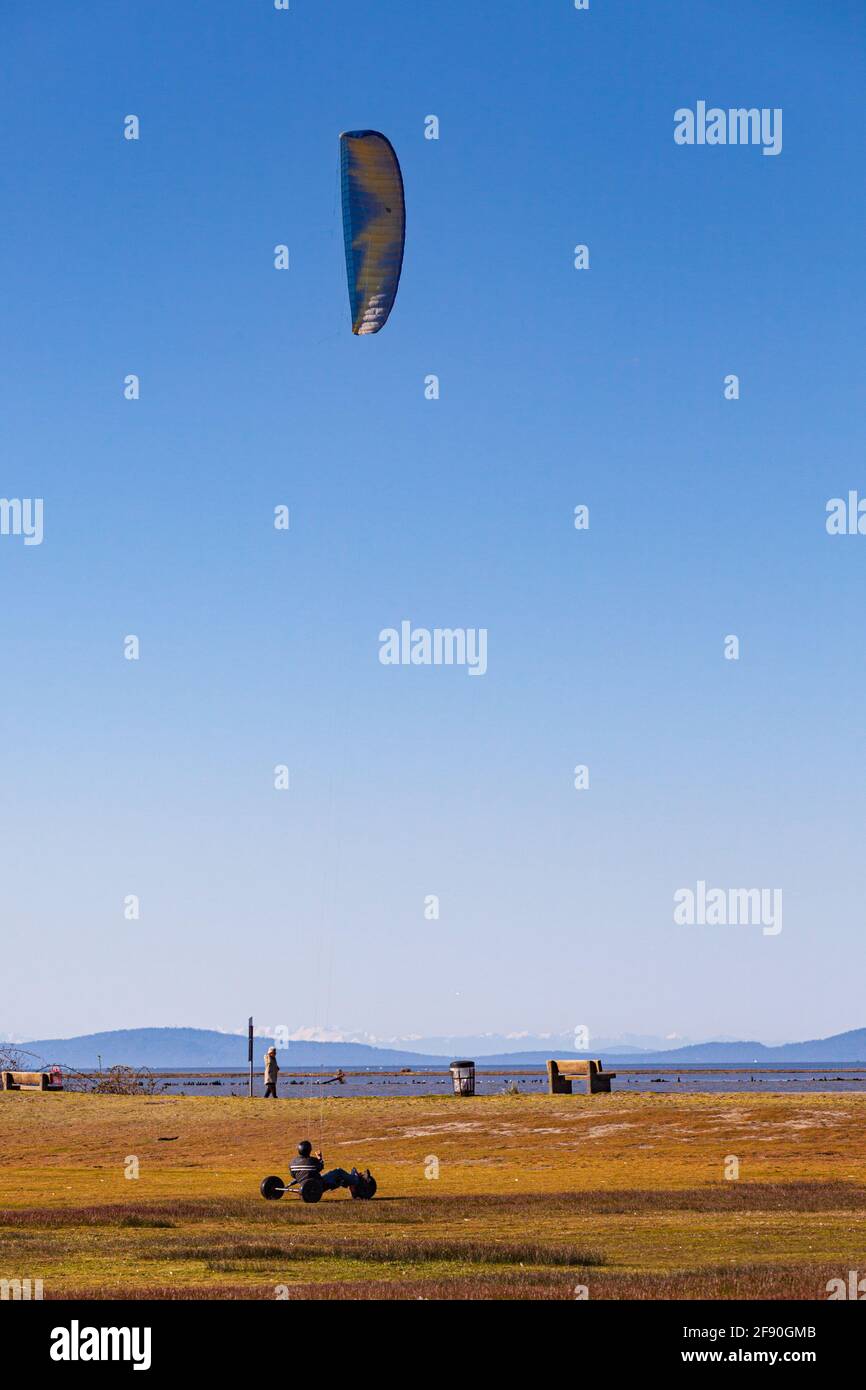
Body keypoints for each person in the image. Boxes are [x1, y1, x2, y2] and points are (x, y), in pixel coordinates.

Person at [290, 1139, 361, 1193]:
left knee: (331, 1175)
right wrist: (320, 1158)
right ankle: (356, 1180)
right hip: (319, 1185)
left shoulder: (292, 1162)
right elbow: (320, 1167)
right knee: (338, 1171)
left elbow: (293, 1175)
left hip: (304, 1186)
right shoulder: (312, 1160)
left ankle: (350, 1184)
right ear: (309, 1150)